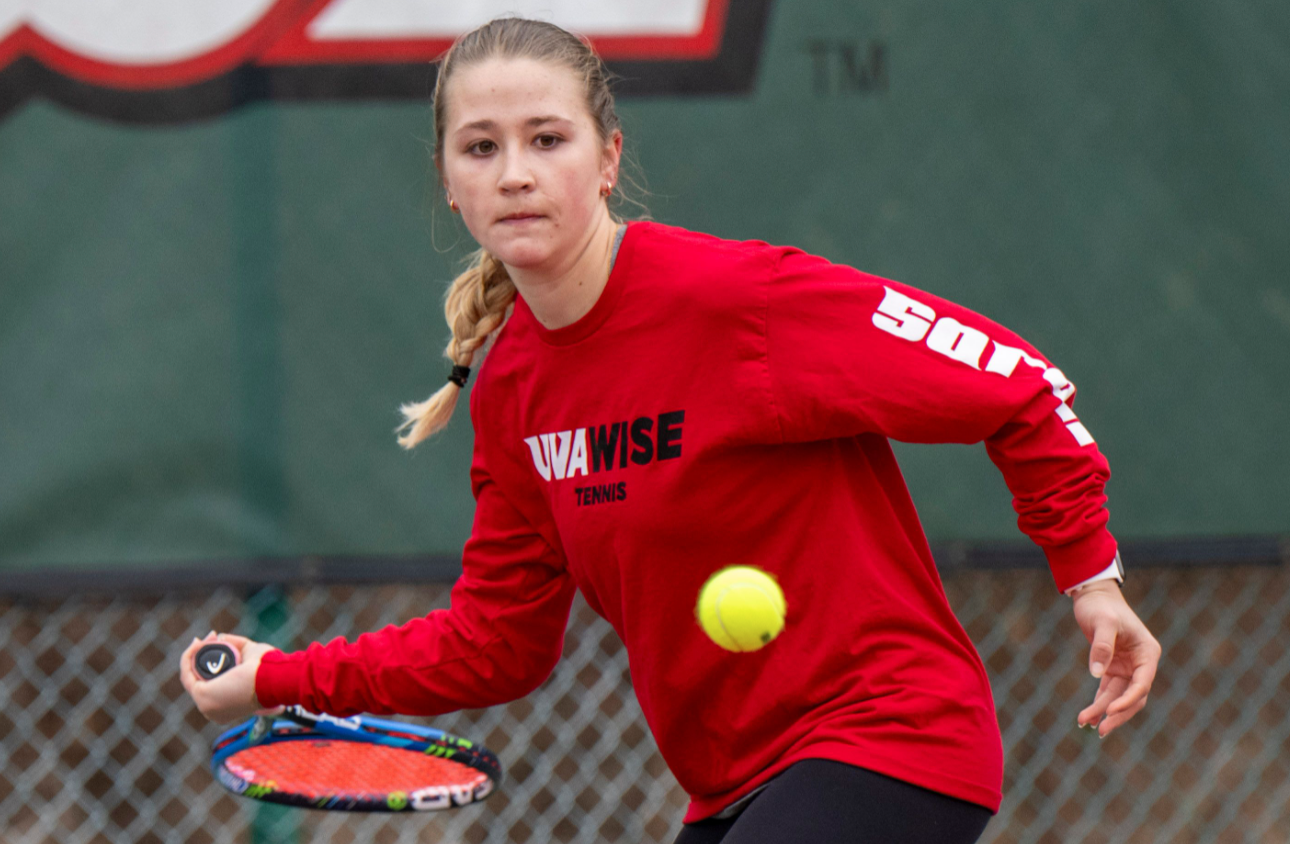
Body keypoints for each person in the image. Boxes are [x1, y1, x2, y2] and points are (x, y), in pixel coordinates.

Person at [180, 17, 1161, 844]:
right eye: (482, 147)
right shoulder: (515, 392)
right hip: (735, 784)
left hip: (893, 739)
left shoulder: (744, 302)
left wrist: (1090, 577)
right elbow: (498, 643)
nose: (515, 173)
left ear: (608, 158)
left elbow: (1019, 383)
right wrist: (278, 674)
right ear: (448, 181)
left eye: (547, 139)